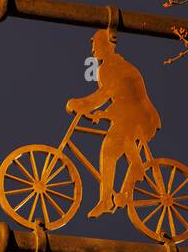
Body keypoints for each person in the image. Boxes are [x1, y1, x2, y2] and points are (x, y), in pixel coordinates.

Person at [66, 28, 162, 218]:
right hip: (129, 116)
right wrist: (103, 114)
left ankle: (131, 173)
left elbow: (108, 93)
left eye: (95, 44)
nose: (93, 49)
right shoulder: (108, 68)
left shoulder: (115, 67)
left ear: (106, 44)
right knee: (109, 150)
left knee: (111, 147)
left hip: (141, 118)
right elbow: (120, 98)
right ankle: (111, 196)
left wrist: (82, 104)